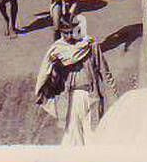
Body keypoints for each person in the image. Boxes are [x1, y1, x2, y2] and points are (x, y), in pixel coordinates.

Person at [34, 14, 116, 146]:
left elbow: (105, 72)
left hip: (91, 96)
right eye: (65, 33)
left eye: (71, 32)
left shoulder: (90, 45)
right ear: (60, 32)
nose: (69, 36)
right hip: (70, 99)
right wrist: (55, 70)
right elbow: (52, 81)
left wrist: (115, 99)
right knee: (73, 140)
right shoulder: (57, 51)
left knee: (93, 138)